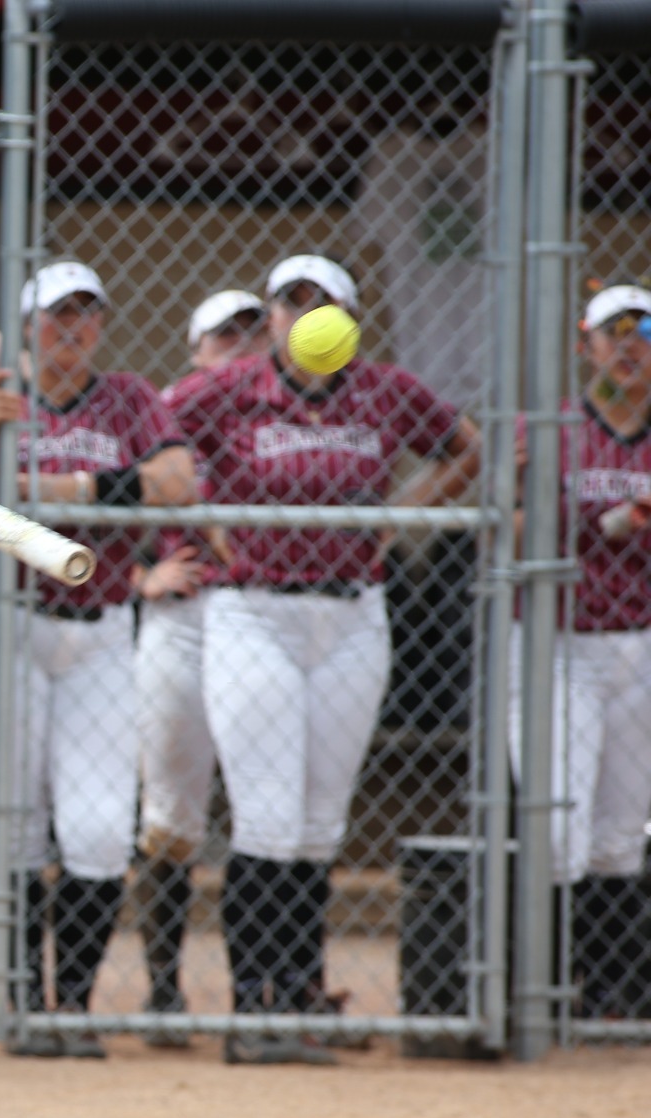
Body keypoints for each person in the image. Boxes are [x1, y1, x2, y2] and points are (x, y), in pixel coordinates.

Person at [167, 255, 480, 1064]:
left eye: (322, 300)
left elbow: (465, 447)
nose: (306, 313)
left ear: (348, 313)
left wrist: (399, 515)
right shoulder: (231, 386)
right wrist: (206, 521)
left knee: (318, 824)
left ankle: (299, 997)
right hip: (255, 610)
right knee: (267, 818)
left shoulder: (383, 389)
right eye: (291, 301)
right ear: (271, 316)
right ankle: (252, 1012)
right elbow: (156, 442)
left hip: (350, 615)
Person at [0, 262, 197, 1059]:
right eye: (57, 315)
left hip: (96, 624)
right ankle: (25, 1001)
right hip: (6, 620)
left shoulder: (128, 395)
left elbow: (177, 480)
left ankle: (75, 1003)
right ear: (26, 324)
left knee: (98, 828)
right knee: (15, 823)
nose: (72, 328)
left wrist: (68, 485)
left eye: (86, 314)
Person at [133, 289, 270, 1046]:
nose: (240, 347)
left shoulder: (277, 417)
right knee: (173, 818)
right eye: (224, 336)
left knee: (266, 810)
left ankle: (267, 992)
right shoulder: (163, 413)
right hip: (183, 621)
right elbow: (100, 509)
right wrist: (136, 579)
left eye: (252, 333)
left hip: (256, 613)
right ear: (195, 349)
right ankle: (161, 988)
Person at [511, 284, 651, 1018]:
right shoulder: (552, 430)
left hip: (641, 641)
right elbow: (498, 528)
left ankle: (610, 997)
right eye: (613, 331)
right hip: (555, 641)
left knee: (621, 833)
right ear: (584, 344)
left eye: (644, 330)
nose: (629, 345)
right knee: (559, 825)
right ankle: (541, 990)